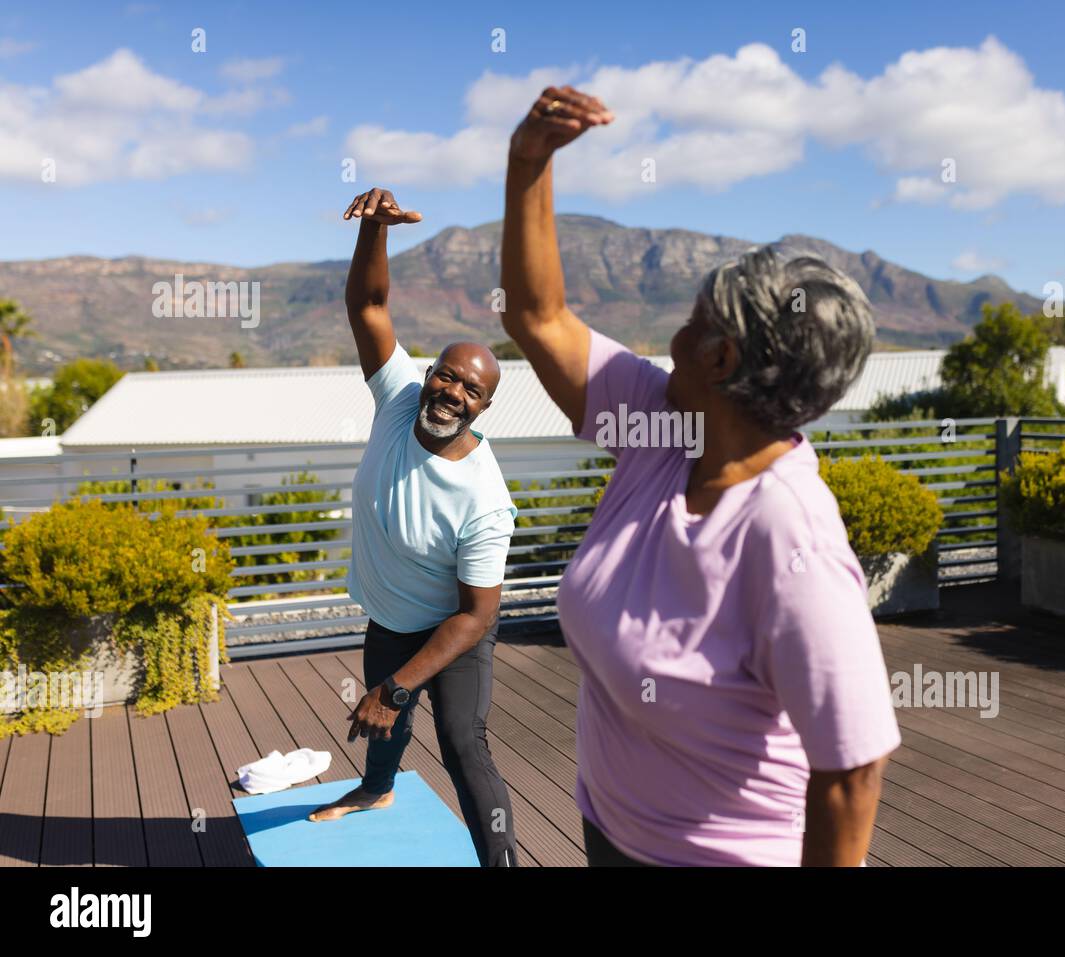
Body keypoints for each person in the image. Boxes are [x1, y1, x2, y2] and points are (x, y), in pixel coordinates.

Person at [499, 87, 902, 867]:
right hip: (610, 828)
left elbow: (854, 769)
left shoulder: (789, 532)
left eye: (691, 320)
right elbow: (538, 318)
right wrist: (529, 163)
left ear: (720, 360)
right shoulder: (659, 428)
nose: (670, 334)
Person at [307, 187, 519, 868]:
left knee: (463, 744)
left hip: (451, 629)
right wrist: (375, 230)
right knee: (381, 726)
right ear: (427, 375)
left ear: (482, 407)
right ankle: (377, 789)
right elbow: (367, 306)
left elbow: (476, 614)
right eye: (447, 376)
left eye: (471, 390)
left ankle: (502, 862)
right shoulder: (398, 399)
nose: (453, 392)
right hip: (391, 616)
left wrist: (402, 683)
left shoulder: (485, 497)